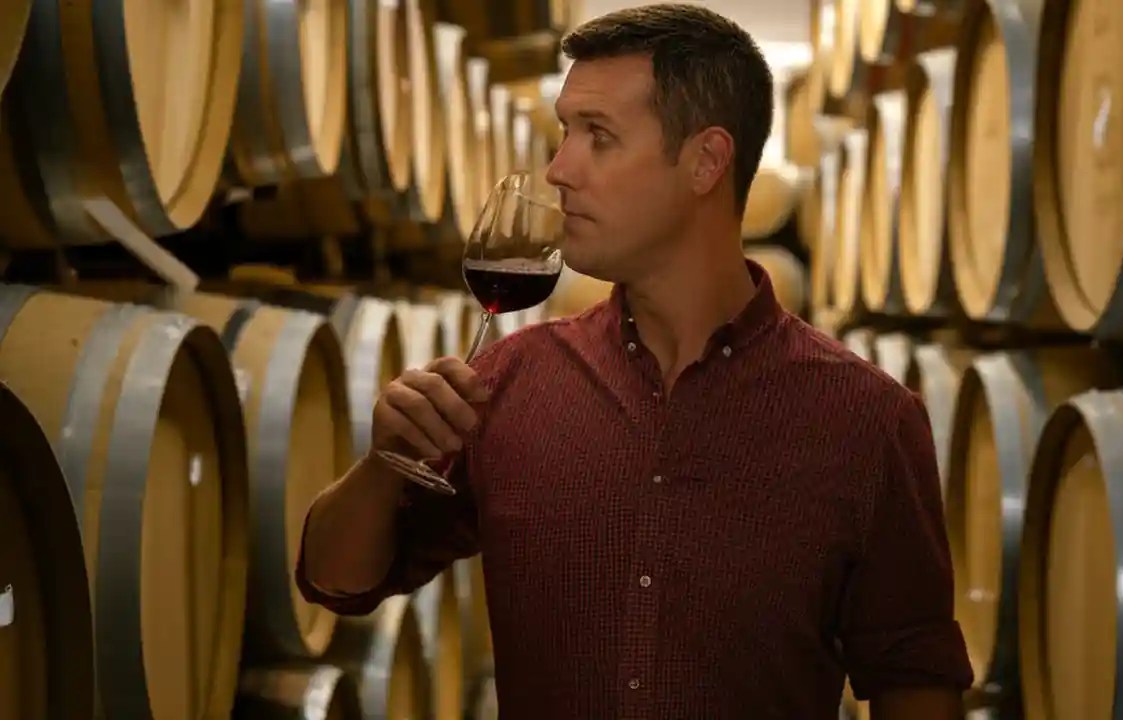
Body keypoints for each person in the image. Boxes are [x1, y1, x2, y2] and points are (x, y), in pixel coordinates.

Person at [296, 4, 973, 717]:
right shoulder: (512, 381)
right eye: (565, 132)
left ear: (706, 161)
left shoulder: (867, 421)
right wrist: (381, 466)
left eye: (599, 136)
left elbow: (915, 684)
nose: (558, 170)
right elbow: (334, 581)